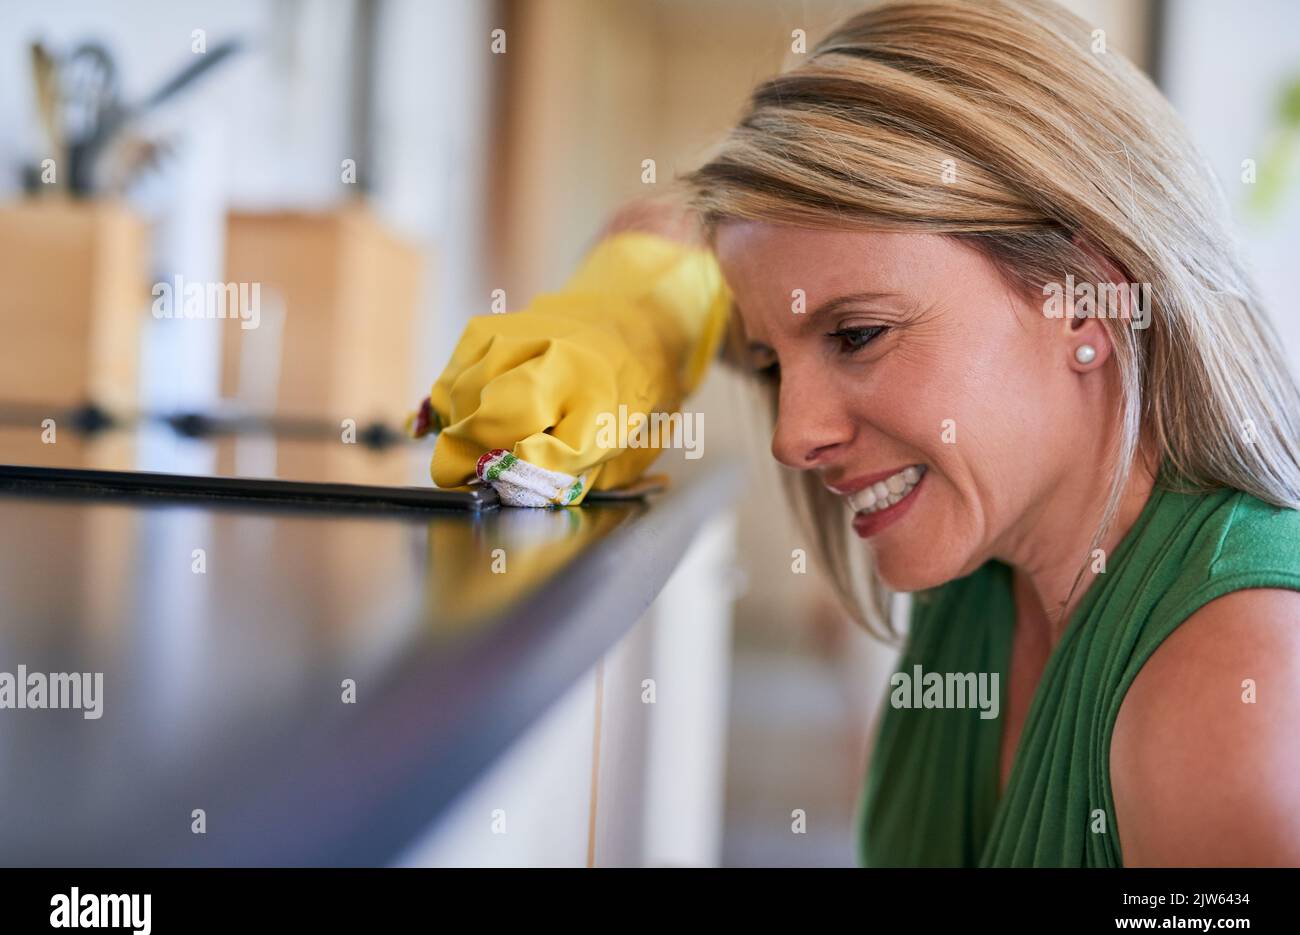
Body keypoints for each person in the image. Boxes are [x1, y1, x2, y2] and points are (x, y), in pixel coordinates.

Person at [412, 0, 1300, 865]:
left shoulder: (1235, 701)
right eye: (768, 361)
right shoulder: (1000, 541)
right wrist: (625, 310)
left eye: (857, 336)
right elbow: (673, 227)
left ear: (1085, 305)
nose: (792, 436)